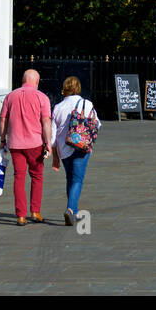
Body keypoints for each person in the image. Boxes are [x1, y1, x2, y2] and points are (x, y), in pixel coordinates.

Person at [0, 69, 52, 226]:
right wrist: (48, 143)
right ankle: (35, 211)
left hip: (15, 143)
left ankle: (20, 215)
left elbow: (2, 120)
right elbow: (46, 122)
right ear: (37, 81)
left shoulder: (10, 96)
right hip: (35, 143)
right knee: (37, 176)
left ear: (23, 80)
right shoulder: (42, 97)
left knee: (19, 177)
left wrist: (3, 139)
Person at [50, 76, 98, 226]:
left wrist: (55, 155)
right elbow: (97, 123)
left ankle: (74, 210)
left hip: (64, 148)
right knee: (78, 179)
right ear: (78, 88)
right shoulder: (87, 103)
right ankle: (70, 209)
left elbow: (52, 136)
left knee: (70, 179)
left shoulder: (58, 107)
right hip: (81, 146)